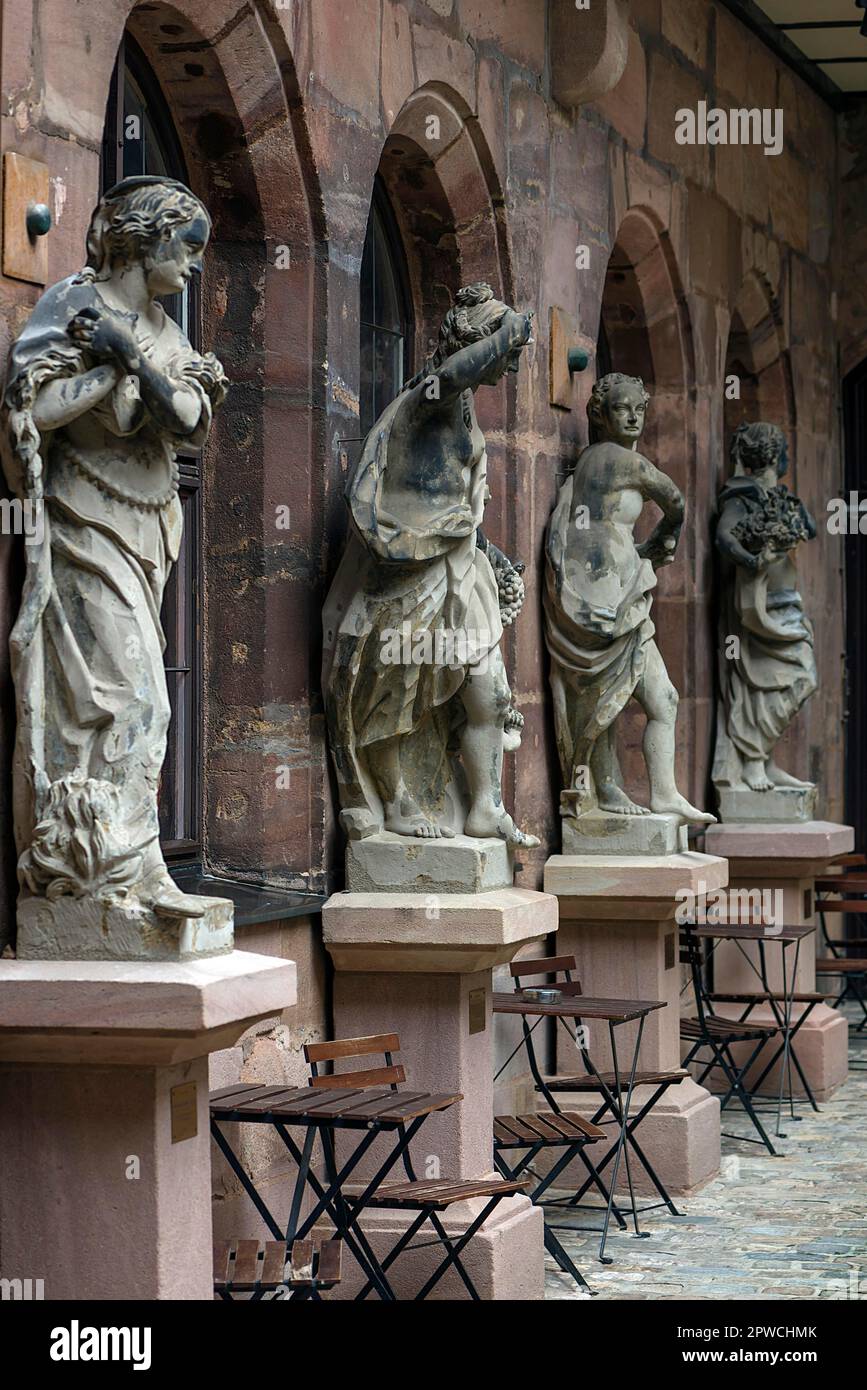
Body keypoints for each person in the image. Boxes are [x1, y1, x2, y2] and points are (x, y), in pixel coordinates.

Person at [2, 175, 226, 918]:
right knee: (131, 701)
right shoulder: (73, 304)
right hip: (82, 524)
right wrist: (108, 367)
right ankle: (104, 870)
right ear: (150, 240)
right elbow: (37, 411)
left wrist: (131, 354)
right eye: (186, 252)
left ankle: (130, 865)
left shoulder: (163, 330)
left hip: (147, 528)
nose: (192, 268)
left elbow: (191, 417)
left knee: (138, 702)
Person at [323, 283, 539, 847]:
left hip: (460, 572)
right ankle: (394, 800)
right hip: (409, 567)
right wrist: (512, 329)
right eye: (506, 355)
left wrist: (491, 556)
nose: (509, 367)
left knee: (489, 695)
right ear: (478, 344)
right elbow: (456, 373)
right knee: (397, 690)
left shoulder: (463, 406)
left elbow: (457, 499)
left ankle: (485, 807)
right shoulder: (433, 393)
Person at [545, 371, 713, 825]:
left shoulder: (595, 461)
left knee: (658, 697)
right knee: (614, 695)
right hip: (603, 599)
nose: (634, 417)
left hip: (616, 589)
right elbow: (675, 499)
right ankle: (605, 787)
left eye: (640, 409)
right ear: (601, 415)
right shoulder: (614, 459)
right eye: (622, 408)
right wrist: (664, 539)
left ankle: (661, 794)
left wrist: (647, 551)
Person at [713, 421, 817, 794]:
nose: (788, 456)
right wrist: (755, 560)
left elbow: (811, 527)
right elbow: (725, 537)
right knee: (777, 679)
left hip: (786, 601)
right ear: (773, 455)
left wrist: (785, 512)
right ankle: (753, 758)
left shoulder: (776, 498)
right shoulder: (740, 498)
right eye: (784, 450)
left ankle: (765, 758)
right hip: (760, 606)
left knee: (798, 679)